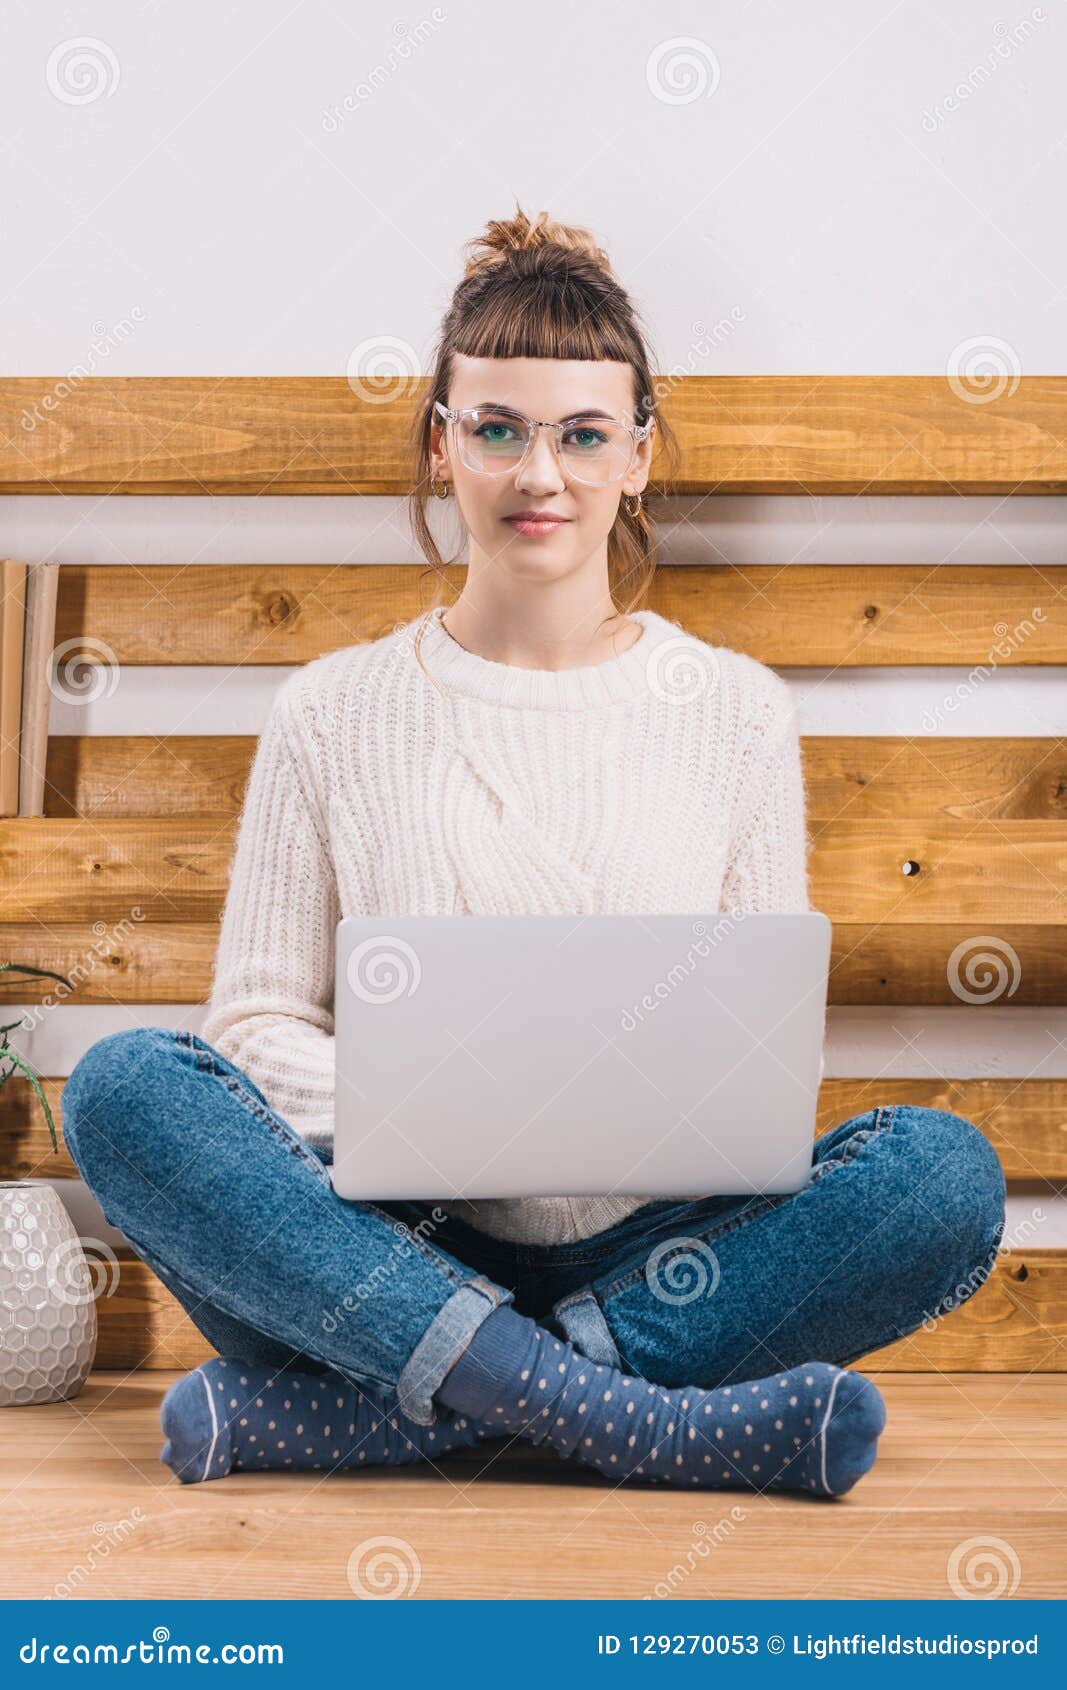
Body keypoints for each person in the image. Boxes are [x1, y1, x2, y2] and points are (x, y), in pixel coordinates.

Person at [62, 205, 1005, 1495]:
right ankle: (632, 1416)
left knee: (941, 1181)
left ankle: (445, 1406)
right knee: (126, 1088)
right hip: (387, 1250)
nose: (538, 474)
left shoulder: (735, 713)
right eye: (497, 429)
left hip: (661, 1258)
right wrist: (432, 1114)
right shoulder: (332, 712)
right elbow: (254, 1028)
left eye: (580, 434)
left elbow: (755, 1056)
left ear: (637, 454)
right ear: (443, 445)